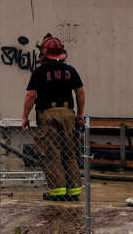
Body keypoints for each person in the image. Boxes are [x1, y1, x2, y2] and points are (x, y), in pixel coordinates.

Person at [22, 34, 86, 202]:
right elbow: (80, 92)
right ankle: (73, 192)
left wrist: (25, 117)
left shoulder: (39, 72)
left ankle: (57, 192)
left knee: (52, 154)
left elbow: (30, 96)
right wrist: (80, 113)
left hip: (48, 116)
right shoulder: (70, 71)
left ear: (44, 54)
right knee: (69, 153)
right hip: (68, 115)